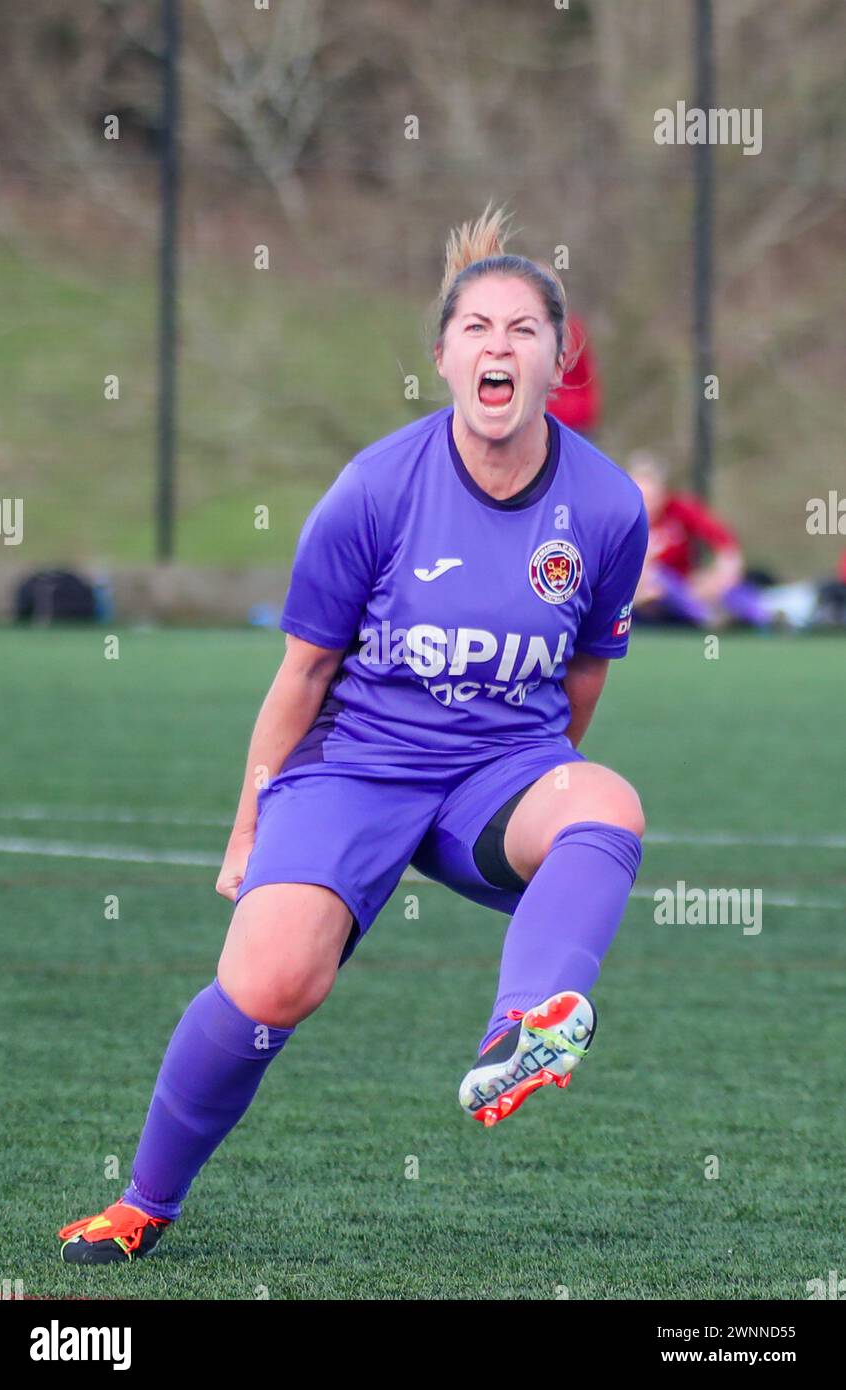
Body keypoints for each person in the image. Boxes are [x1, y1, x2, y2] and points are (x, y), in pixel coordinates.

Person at [58, 204, 648, 1265]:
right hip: (357, 766)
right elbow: (302, 675)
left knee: (605, 802)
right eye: (476, 328)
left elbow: (585, 672)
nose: (498, 346)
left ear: (559, 360)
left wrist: (545, 783)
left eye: (523, 329)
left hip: (498, 770)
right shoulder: (372, 488)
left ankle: (522, 1028)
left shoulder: (605, 507)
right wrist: (248, 829)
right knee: (276, 983)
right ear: (441, 356)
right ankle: (142, 1200)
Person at [628, 452, 771, 629]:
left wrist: (721, 576)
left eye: (653, 495)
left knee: (733, 590)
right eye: (642, 496)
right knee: (659, 577)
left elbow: (724, 542)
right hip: (644, 599)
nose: (648, 503)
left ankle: (765, 617)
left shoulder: (680, 510)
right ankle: (706, 616)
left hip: (687, 589)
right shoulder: (624, 520)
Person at [545, 315, 601, 437]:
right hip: (550, 421)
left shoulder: (575, 331)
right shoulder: (539, 330)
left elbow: (587, 379)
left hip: (577, 424)